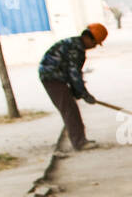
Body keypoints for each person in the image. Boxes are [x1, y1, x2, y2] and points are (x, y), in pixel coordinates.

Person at [38, 23, 107, 152]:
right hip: (52, 77)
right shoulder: (76, 48)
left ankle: (80, 139)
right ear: (88, 38)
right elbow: (74, 73)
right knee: (69, 109)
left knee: (71, 108)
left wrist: (79, 92)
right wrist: (84, 94)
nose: (94, 46)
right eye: (95, 43)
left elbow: (74, 74)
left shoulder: (75, 45)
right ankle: (79, 142)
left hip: (57, 77)